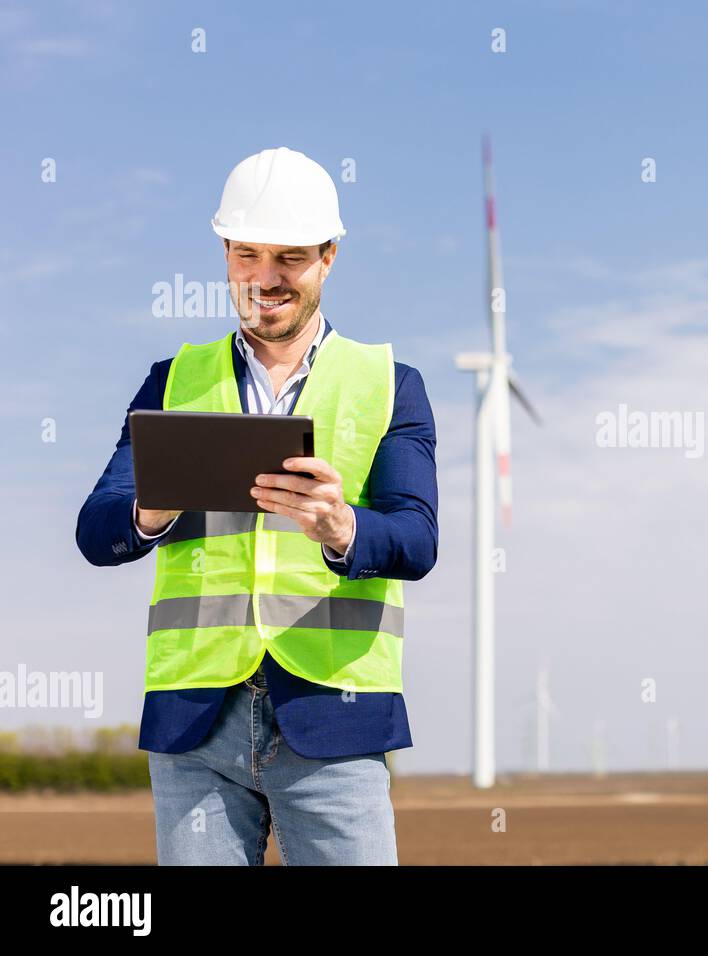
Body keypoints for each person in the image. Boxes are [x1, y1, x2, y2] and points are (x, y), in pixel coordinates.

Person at [75, 147, 438, 865]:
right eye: (247, 254)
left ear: (329, 257)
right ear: (224, 251)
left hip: (333, 719)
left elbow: (417, 539)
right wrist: (152, 509)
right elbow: (96, 530)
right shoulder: (172, 380)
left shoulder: (388, 384)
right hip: (196, 724)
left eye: (290, 258)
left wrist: (342, 527)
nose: (264, 277)